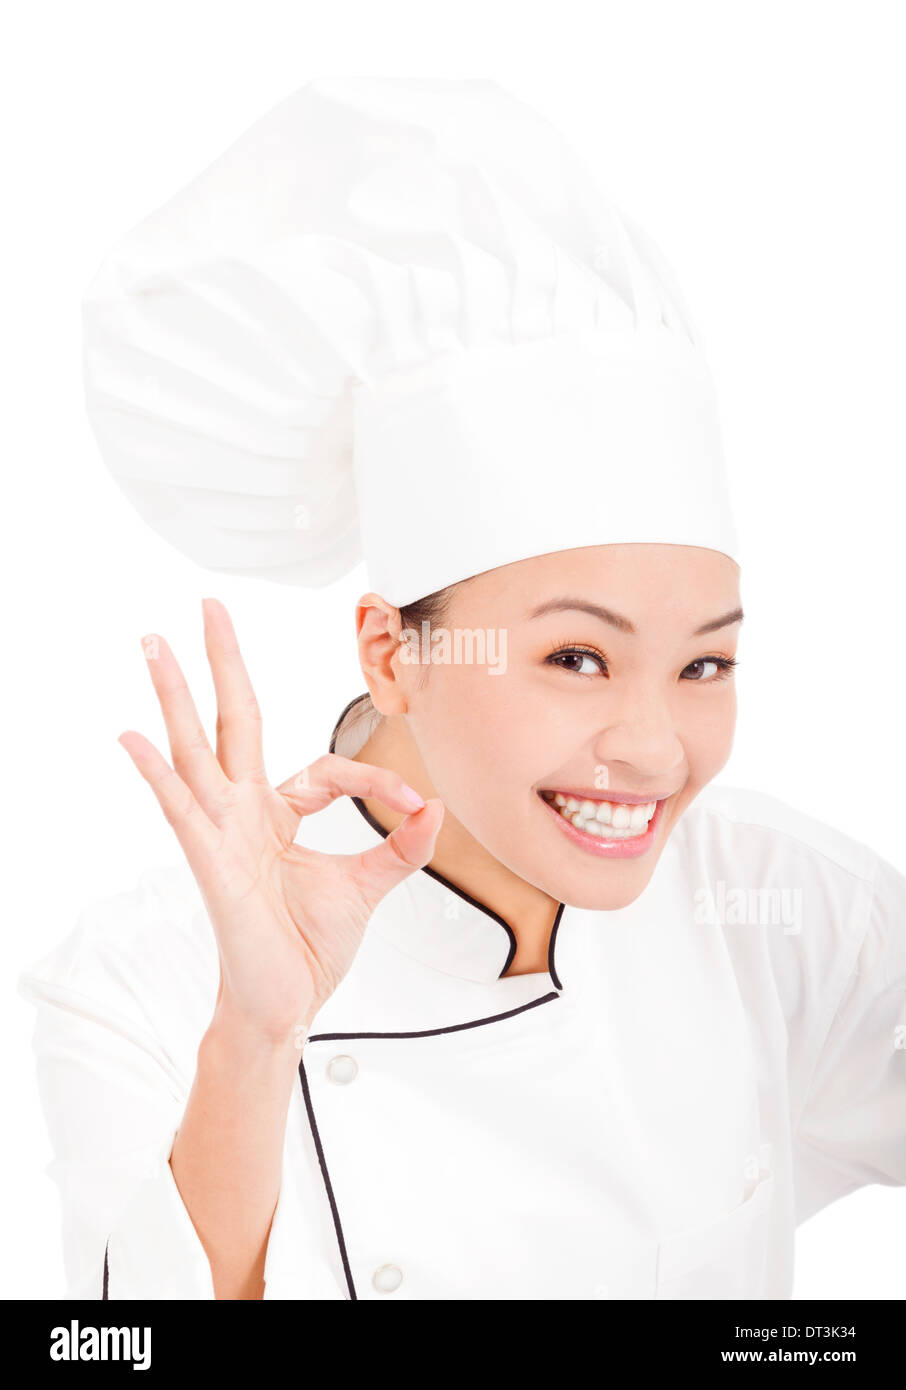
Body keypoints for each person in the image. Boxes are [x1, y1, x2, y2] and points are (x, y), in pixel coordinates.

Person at [20, 78, 906, 1301]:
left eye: (705, 661)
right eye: (575, 657)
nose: (653, 748)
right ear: (392, 652)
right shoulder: (145, 974)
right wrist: (257, 1035)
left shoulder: (783, 910)